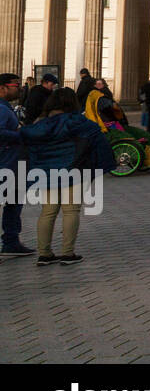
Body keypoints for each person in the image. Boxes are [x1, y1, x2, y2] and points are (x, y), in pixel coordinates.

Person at [13, 87, 112, 266]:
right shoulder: (81, 123)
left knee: (48, 212)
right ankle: (67, 253)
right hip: (74, 172)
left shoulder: (39, 126)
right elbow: (99, 144)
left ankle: (44, 254)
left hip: (45, 173)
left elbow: (25, 148)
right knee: (71, 211)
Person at [0, 73, 34, 257]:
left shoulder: (7, 108)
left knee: (13, 204)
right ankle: (10, 242)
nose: (19, 88)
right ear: (3, 88)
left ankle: (11, 242)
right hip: (7, 164)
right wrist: (21, 135)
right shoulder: (2, 109)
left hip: (12, 163)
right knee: (12, 203)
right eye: (15, 85)